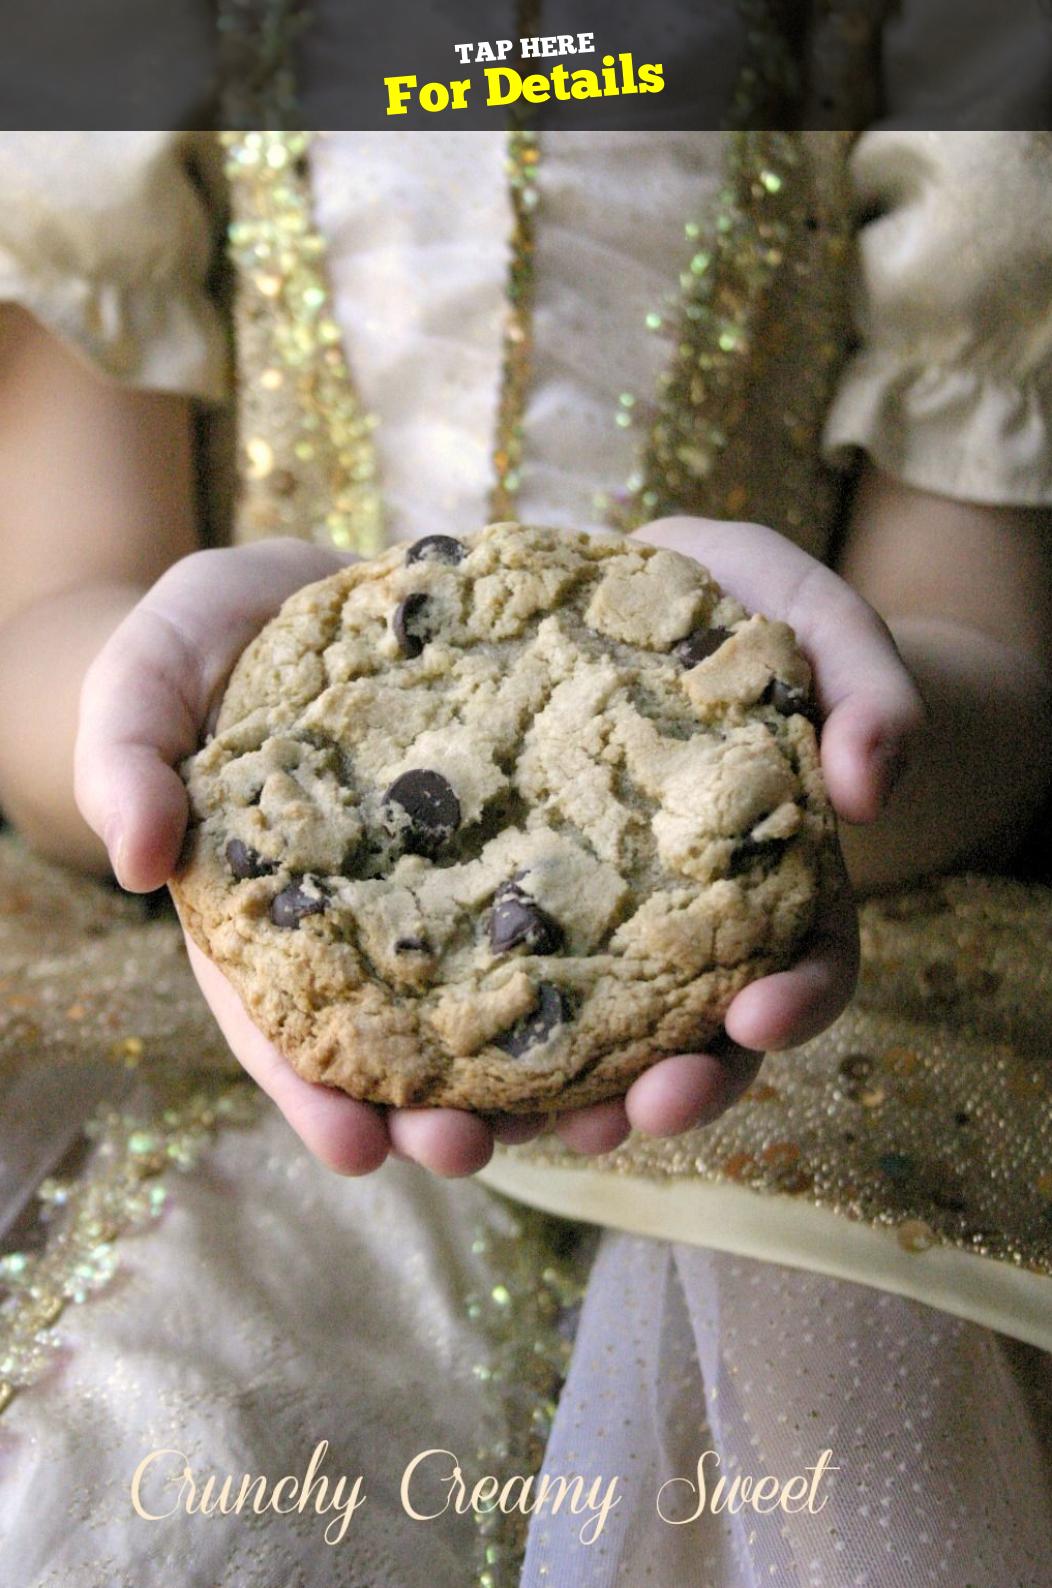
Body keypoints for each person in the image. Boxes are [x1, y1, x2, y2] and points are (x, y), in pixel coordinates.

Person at [0, 118, 1051, 1586]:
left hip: (832, 1066)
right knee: (174, 1488)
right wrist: (155, 734)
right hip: (203, 1036)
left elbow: (1001, 677)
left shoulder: (962, 58)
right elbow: (45, 621)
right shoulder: (118, 51)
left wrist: (830, 740)